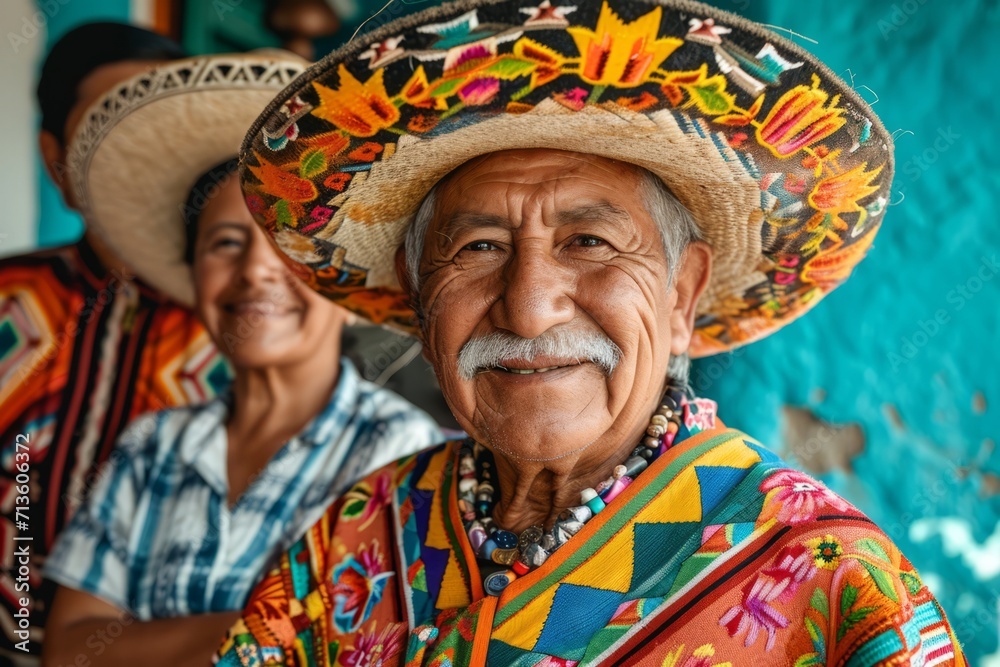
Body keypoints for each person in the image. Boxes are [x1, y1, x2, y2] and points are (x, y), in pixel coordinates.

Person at [214, 0, 969, 664]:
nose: (529, 306)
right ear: (419, 296)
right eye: (479, 248)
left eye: (590, 243)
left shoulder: (834, 581)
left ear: (682, 293)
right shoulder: (360, 530)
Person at [40, 51, 445, 666]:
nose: (254, 272)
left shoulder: (402, 454)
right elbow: (68, 650)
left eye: (284, 246)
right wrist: (274, 626)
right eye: (226, 243)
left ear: (342, 289)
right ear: (194, 275)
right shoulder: (154, 445)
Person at [0, 23, 223, 661]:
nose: (136, 154)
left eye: (152, 131)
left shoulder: (243, 323)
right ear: (55, 161)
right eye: (105, 132)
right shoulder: (9, 297)